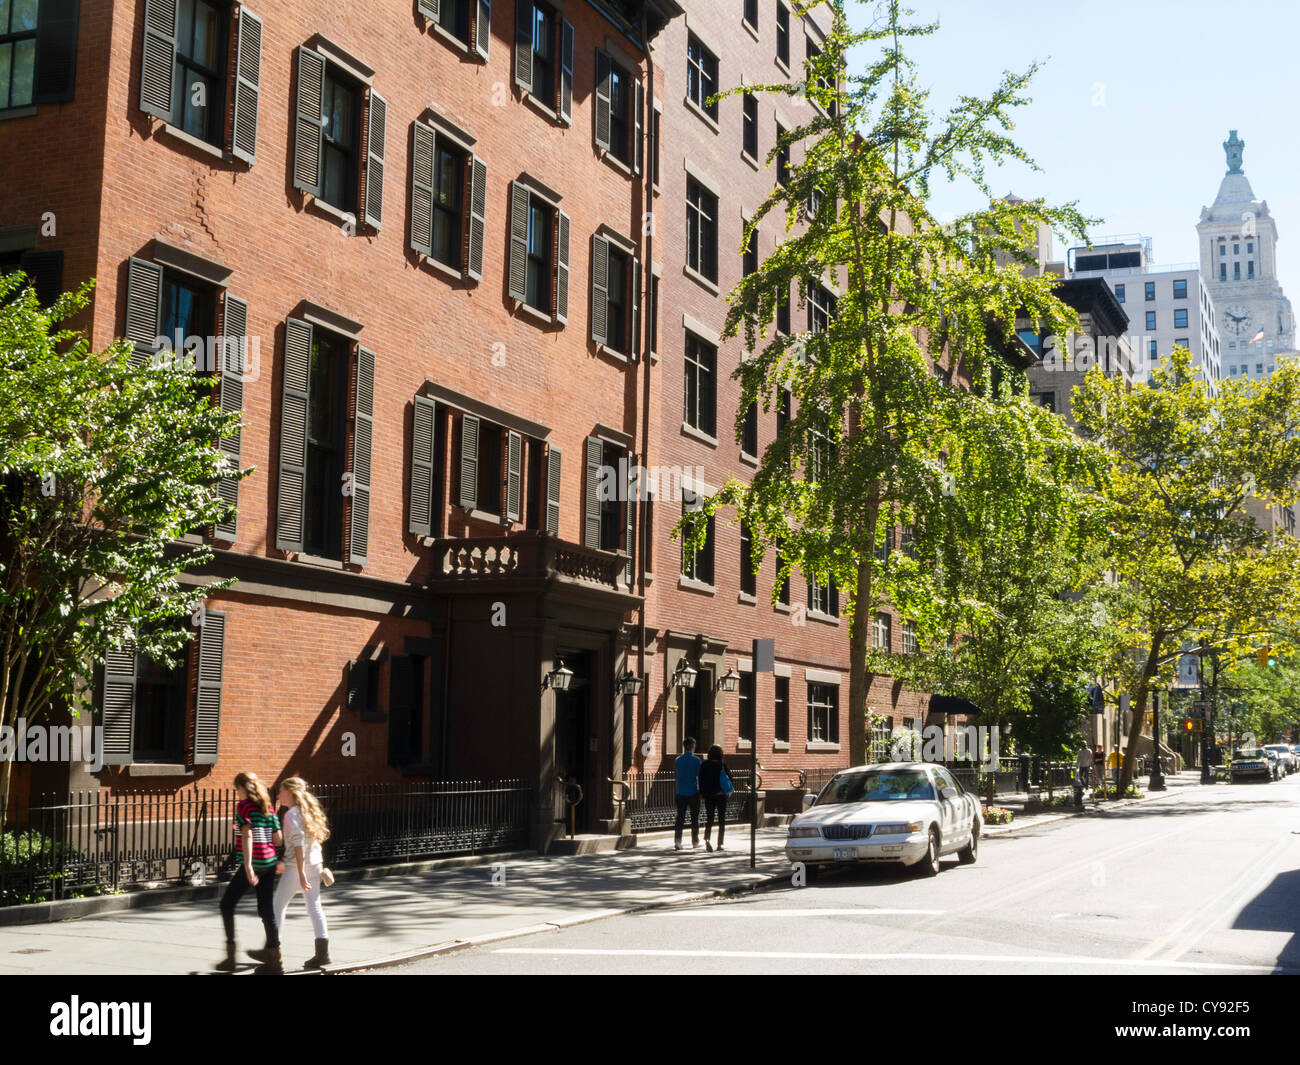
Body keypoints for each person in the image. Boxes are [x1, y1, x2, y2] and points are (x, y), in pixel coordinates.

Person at [216, 772, 282, 974]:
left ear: (243, 788)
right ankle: (275, 961)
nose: (237, 793)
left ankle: (230, 957)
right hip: (269, 862)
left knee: (227, 904)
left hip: (254, 864)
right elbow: (278, 839)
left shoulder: (244, 807)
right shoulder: (268, 808)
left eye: (237, 789)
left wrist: (248, 866)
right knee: (266, 911)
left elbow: (247, 835)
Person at [272, 777, 332, 970]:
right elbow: (312, 842)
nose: (278, 794)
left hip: (298, 868)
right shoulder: (307, 812)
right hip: (314, 864)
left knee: (277, 906)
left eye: (281, 790)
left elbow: (298, 844)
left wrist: (300, 872)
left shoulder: (291, 815)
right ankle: (323, 954)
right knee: (314, 906)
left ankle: (273, 951)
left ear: (290, 792)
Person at [699, 744, 731, 852]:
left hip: (709, 795)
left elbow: (701, 780)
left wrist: (702, 794)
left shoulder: (705, 765)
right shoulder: (722, 765)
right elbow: (730, 778)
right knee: (721, 820)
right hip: (721, 795)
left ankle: (707, 839)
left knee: (710, 819)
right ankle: (720, 844)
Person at [674, 737, 702, 850]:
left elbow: (676, 776)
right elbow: (699, 776)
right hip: (693, 791)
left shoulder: (678, 760)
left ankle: (677, 841)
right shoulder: (696, 761)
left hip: (680, 791)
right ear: (693, 747)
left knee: (680, 817)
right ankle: (695, 841)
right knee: (694, 818)